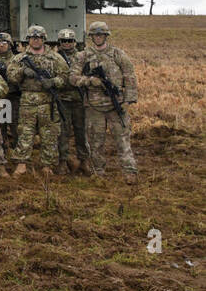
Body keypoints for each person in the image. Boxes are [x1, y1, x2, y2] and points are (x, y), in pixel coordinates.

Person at [69, 20, 138, 184]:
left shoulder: (117, 54)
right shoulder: (83, 56)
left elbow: (130, 76)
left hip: (116, 105)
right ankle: (98, 171)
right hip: (94, 106)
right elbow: (72, 78)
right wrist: (89, 80)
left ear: (106, 36)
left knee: (122, 139)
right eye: (95, 35)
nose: (98, 37)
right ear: (91, 37)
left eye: (101, 34)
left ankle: (130, 171)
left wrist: (128, 100)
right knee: (95, 141)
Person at [7, 25, 69, 175]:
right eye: (33, 38)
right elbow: (11, 76)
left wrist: (53, 82)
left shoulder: (55, 58)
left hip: (48, 101)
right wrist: (22, 71)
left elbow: (65, 77)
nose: (35, 40)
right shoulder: (19, 58)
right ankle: (22, 164)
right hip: (27, 101)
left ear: (44, 39)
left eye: (39, 38)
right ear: (28, 40)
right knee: (24, 133)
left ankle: (47, 165)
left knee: (49, 134)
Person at [53, 28, 89, 175]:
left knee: (81, 132)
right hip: (62, 101)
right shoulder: (55, 58)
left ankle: (84, 160)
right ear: (59, 43)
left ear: (75, 42)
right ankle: (63, 161)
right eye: (64, 41)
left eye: (70, 41)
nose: (67, 44)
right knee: (63, 132)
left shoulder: (83, 57)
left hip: (80, 100)